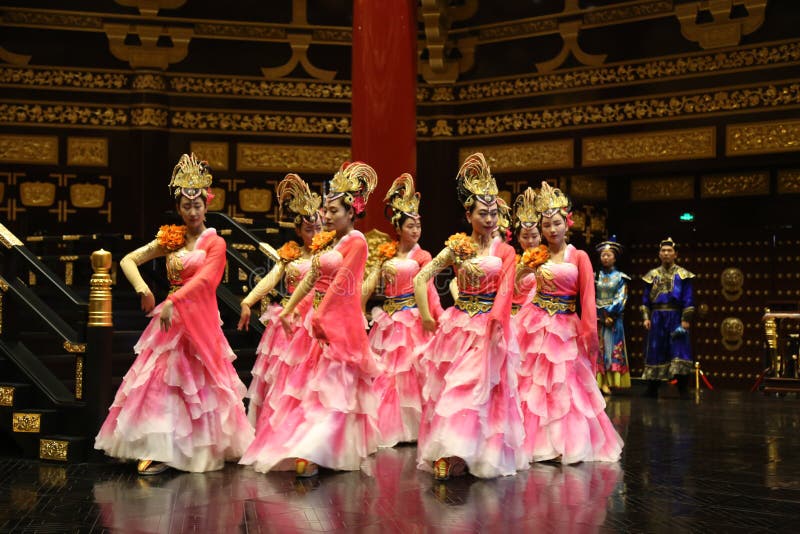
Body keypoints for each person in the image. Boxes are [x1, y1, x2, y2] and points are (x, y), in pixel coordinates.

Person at [95, 153, 253, 475]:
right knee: (160, 381)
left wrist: (172, 301)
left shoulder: (215, 243)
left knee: (199, 384)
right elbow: (127, 261)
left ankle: (195, 447)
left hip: (198, 319)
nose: (192, 212)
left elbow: (206, 280)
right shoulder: (172, 238)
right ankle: (159, 447)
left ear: (206, 205)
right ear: (178, 208)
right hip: (170, 321)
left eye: (197, 206)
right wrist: (144, 289)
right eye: (185, 206)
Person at [239, 161, 380, 477]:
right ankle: (308, 447)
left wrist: (320, 316)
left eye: (333, 211)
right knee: (312, 388)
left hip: (339, 325)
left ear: (351, 213)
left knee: (335, 388)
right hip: (318, 322)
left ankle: (319, 449)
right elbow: (313, 278)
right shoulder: (330, 242)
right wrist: (288, 309)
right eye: (326, 210)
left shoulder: (356, 241)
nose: (326, 216)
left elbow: (342, 282)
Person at [413, 152, 526, 480]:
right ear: (468, 214)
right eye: (483, 213)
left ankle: (475, 453)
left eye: (494, 213)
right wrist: (426, 315)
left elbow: (506, 290)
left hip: (489, 327)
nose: (490, 220)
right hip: (458, 325)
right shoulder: (457, 248)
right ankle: (451, 450)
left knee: (478, 390)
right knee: (454, 390)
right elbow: (422, 277)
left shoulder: (505, 251)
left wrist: (496, 323)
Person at [514, 181, 622, 464]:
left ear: (567, 224)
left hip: (565, 326)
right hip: (536, 324)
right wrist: (520, 271)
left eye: (557, 223)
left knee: (566, 386)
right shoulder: (535, 256)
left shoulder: (579, 256)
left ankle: (567, 442)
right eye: (547, 224)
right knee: (534, 386)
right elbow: (517, 291)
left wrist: (589, 336)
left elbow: (587, 300)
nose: (552, 229)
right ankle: (534, 442)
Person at [362, 173, 442, 447]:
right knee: (388, 373)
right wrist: (360, 306)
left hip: (412, 317)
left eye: (418, 225)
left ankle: (414, 426)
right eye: (411, 225)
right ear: (399, 228)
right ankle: (387, 426)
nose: (416, 230)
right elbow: (371, 282)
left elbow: (428, 288)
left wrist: (431, 316)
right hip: (388, 317)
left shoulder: (422, 256)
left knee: (409, 371)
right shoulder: (385, 253)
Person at [237, 174, 322, 426]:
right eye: (309, 229)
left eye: (319, 227)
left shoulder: (331, 255)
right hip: (290, 320)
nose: (315, 233)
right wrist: (247, 302)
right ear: (297, 231)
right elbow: (271, 279)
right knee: (285, 375)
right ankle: (282, 425)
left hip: (317, 318)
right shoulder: (291, 255)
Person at [641, 237, 696, 398]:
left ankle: (683, 388)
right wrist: (646, 317)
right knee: (656, 350)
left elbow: (688, 298)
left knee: (679, 350)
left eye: (669, 251)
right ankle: (652, 387)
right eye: (663, 251)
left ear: (675, 254)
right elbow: (645, 300)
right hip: (657, 315)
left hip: (675, 316)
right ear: (659, 254)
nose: (666, 253)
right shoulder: (652, 275)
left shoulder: (683, 275)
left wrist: (686, 318)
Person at [595, 237, 631, 395]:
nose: (605, 257)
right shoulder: (595, 276)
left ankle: (612, 382)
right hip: (598, 319)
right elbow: (590, 297)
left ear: (615, 257)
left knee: (611, 350)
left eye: (608, 255)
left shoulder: (620, 278)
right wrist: (601, 315)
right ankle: (599, 382)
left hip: (614, 320)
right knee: (599, 351)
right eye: (603, 255)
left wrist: (610, 314)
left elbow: (621, 298)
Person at [511, 187, 541, 316]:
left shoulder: (547, 261)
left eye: (534, 236)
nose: (530, 241)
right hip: (512, 315)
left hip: (535, 315)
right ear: (518, 238)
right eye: (525, 236)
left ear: (541, 236)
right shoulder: (512, 261)